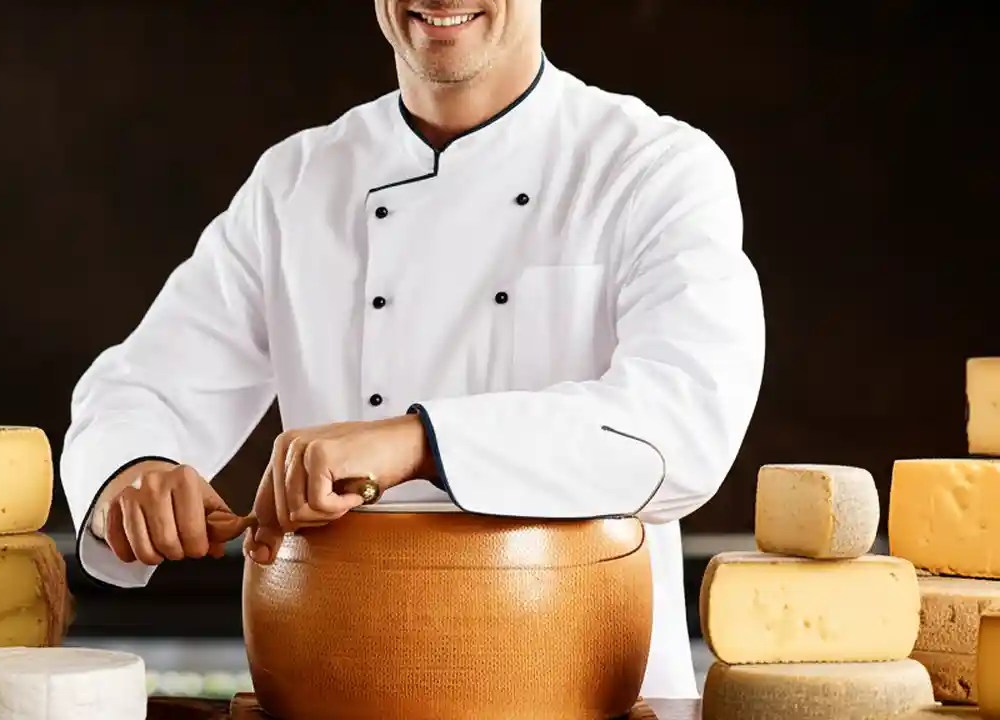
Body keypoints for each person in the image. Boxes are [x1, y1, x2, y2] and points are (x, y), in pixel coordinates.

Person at [61, 0, 765, 700]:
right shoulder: (298, 182)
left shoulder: (655, 169)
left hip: (586, 690)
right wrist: (135, 471)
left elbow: (684, 420)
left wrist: (418, 442)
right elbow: (137, 389)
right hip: (336, 684)